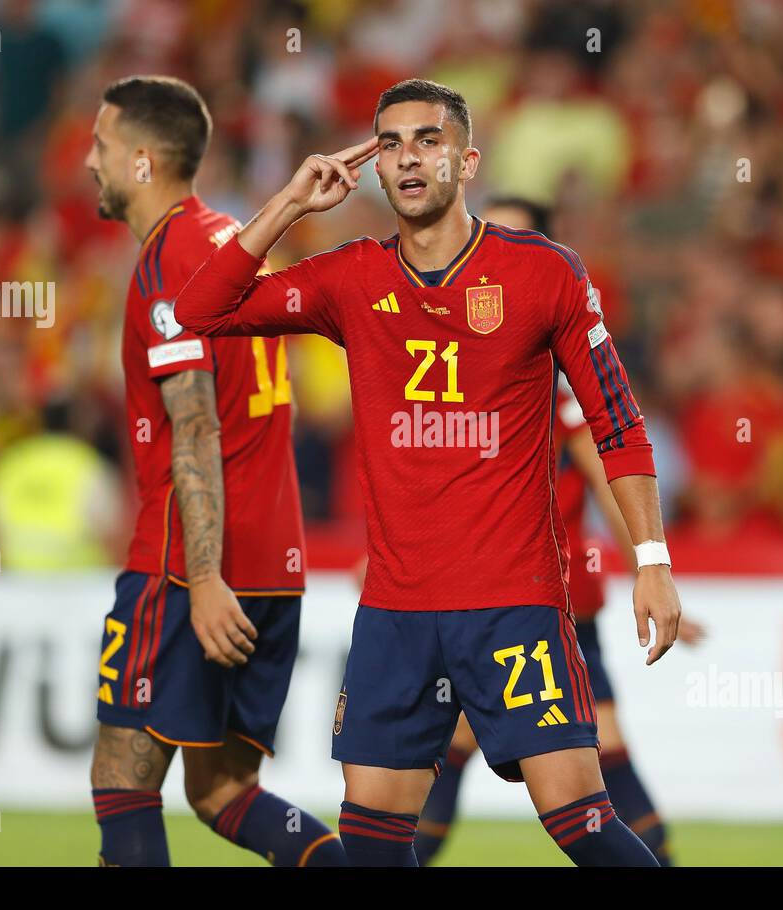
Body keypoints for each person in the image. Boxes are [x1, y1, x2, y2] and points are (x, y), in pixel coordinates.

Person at [177, 79, 684, 867]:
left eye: (428, 140)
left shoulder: (545, 273)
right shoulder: (350, 279)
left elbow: (617, 422)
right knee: (373, 846)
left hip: (514, 607)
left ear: (467, 160)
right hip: (395, 614)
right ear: (373, 167)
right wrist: (288, 204)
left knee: (583, 824)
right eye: (390, 144)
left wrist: (652, 563)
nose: (408, 158)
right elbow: (201, 310)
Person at [83, 76, 341, 867]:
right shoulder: (235, 242)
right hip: (275, 562)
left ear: (140, 160)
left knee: (121, 788)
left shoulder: (172, 262)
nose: (87, 163)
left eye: (98, 146)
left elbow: (193, 426)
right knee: (223, 791)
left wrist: (203, 577)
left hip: (192, 564)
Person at [412, 197, 705, 866]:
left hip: (552, 597)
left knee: (577, 763)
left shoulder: (556, 364)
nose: (501, 248)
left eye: (520, 235)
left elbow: (607, 460)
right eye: (496, 233)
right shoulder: (460, 353)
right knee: (457, 753)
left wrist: (648, 562)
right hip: (471, 587)